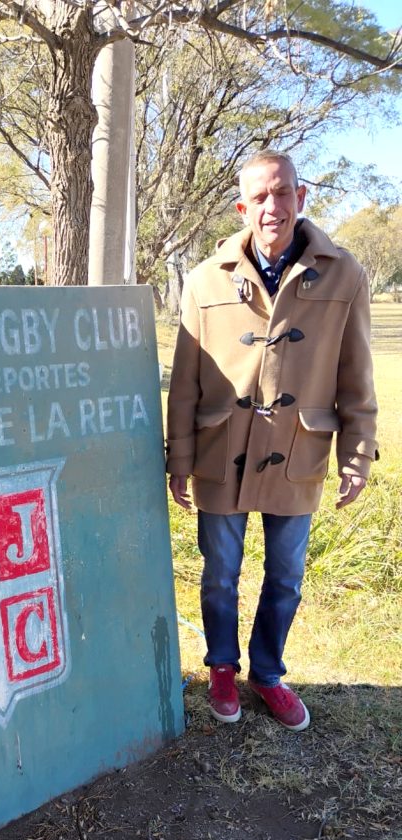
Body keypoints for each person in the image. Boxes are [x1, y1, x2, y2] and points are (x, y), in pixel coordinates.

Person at [166, 150, 378, 732]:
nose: (272, 207)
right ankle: (222, 668)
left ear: (300, 197)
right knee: (219, 574)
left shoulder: (346, 274)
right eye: (259, 197)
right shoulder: (204, 280)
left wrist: (356, 453)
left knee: (285, 575)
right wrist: (178, 459)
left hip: (297, 450)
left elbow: (357, 376)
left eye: (282, 193)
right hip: (220, 451)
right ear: (242, 207)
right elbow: (184, 382)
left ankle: (267, 672)